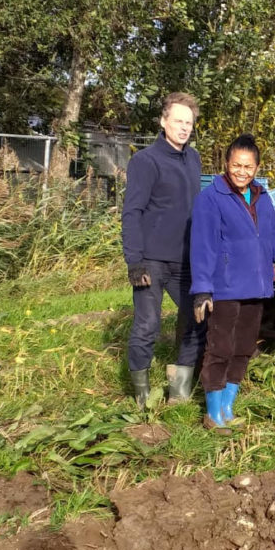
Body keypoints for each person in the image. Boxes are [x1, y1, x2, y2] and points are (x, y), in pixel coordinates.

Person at [190, 135, 275, 430]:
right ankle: (213, 412)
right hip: (226, 286)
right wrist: (203, 289)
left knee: (243, 347)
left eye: (248, 166)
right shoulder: (211, 198)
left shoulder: (261, 196)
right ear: (226, 164)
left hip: (256, 287)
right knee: (221, 347)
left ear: (257, 167)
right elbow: (202, 246)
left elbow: (269, 235)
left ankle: (229, 407)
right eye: (236, 165)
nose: (241, 172)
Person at [120, 91, 204, 404]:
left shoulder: (193, 159)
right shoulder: (145, 161)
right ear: (163, 121)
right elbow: (132, 212)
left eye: (189, 123)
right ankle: (141, 394)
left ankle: (179, 390)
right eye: (178, 121)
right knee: (148, 324)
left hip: (186, 259)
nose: (184, 127)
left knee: (197, 319)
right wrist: (134, 260)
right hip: (151, 260)